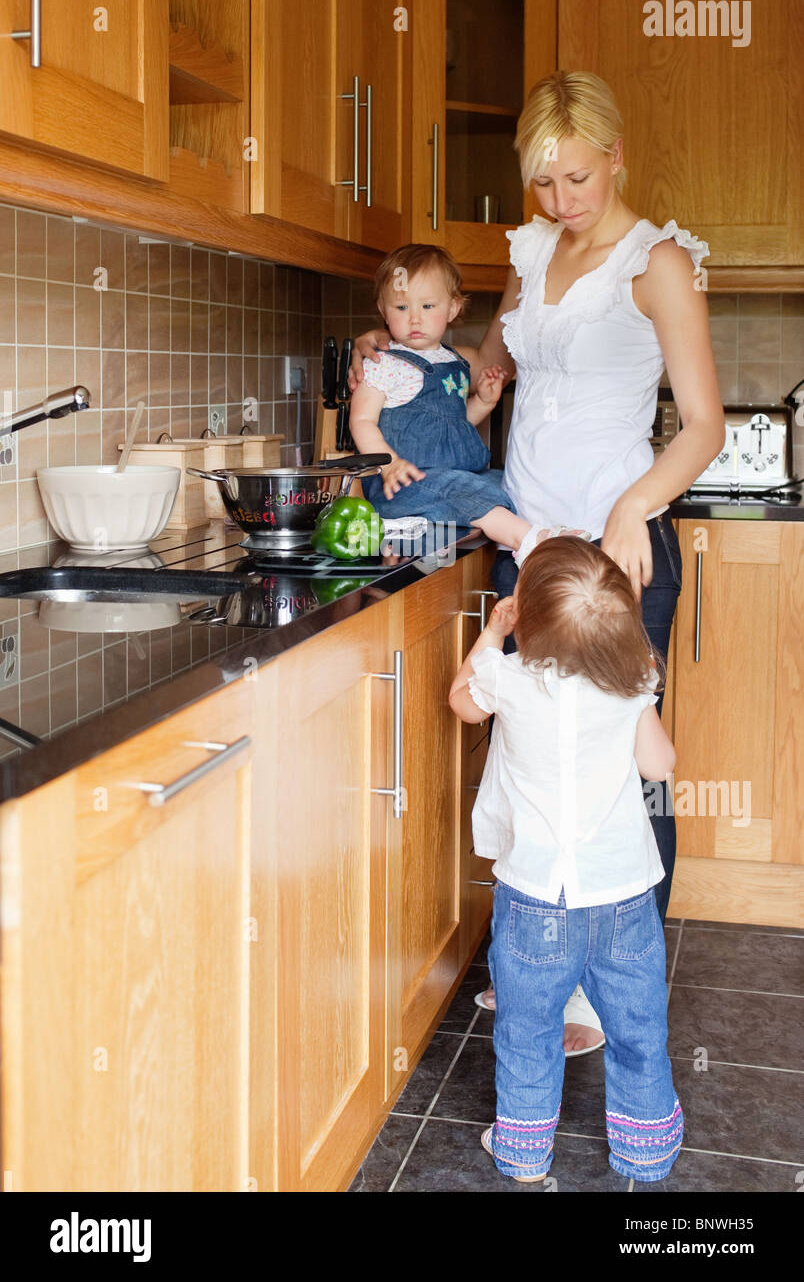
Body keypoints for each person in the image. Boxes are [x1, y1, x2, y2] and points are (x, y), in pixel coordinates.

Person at [349, 70, 725, 1055]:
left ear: (617, 158)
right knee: (528, 754)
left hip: (613, 548)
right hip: (524, 541)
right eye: (545, 184)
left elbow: (706, 426)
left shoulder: (658, 265)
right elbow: (495, 367)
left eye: (578, 179)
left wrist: (639, 505)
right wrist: (400, 361)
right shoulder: (528, 251)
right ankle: (540, 961)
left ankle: (609, 985)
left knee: (621, 760)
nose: (561, 202)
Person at [449, 534, 683, 1183]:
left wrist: (491, 637)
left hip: (533, 895)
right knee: (637, 1023)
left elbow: (463, 702)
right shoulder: (631, 683)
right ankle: (647, 1149)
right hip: (623, 892)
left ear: (524, 616)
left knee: (527, 1025)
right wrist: (643, 694)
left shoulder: (510, 678)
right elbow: (659, 765)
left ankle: (524, 1152)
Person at [350, 244, 533, 553]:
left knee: (505, 482)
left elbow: (453, 425)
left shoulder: (453, 360)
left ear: (452, 308)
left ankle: (538, 536)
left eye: (428, 306)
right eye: (402, 307)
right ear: (383, 309)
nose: (415, 319)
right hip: (404, 484)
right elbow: (361, 421)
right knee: (461, 489)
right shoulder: (385, 363)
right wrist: (390, 464)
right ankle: (531, 542)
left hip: (454, 477)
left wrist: (484, 402)